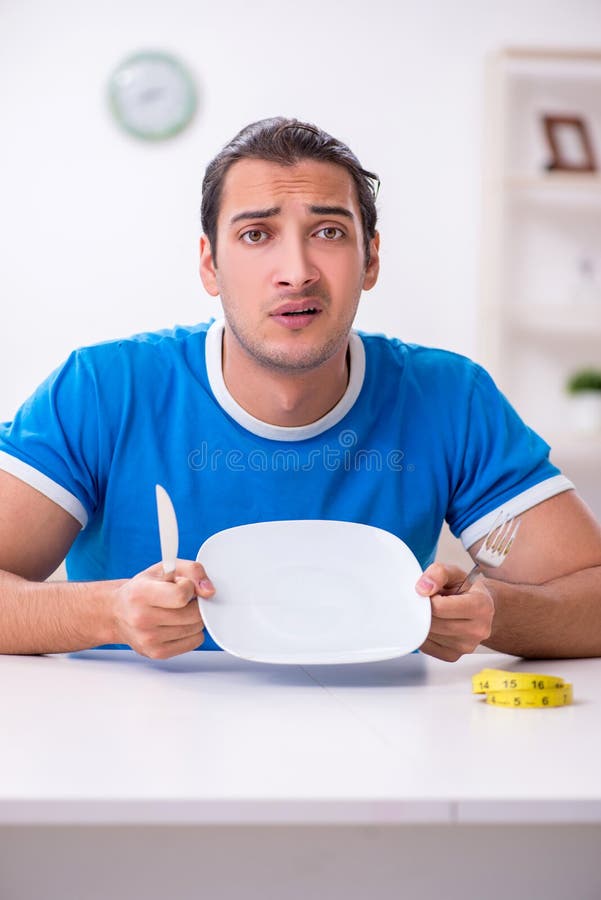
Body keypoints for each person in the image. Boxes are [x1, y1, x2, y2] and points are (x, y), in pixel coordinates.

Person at [1, 117, 600, 662]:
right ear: (210, 264)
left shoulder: (449, 400)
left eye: (329, 232)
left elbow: (590, 595)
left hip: (378, 748)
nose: (297, 270)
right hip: (135, 754)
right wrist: (109, 613)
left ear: (370, 259)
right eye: (257, 235)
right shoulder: (104, 391)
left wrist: (490, 614)